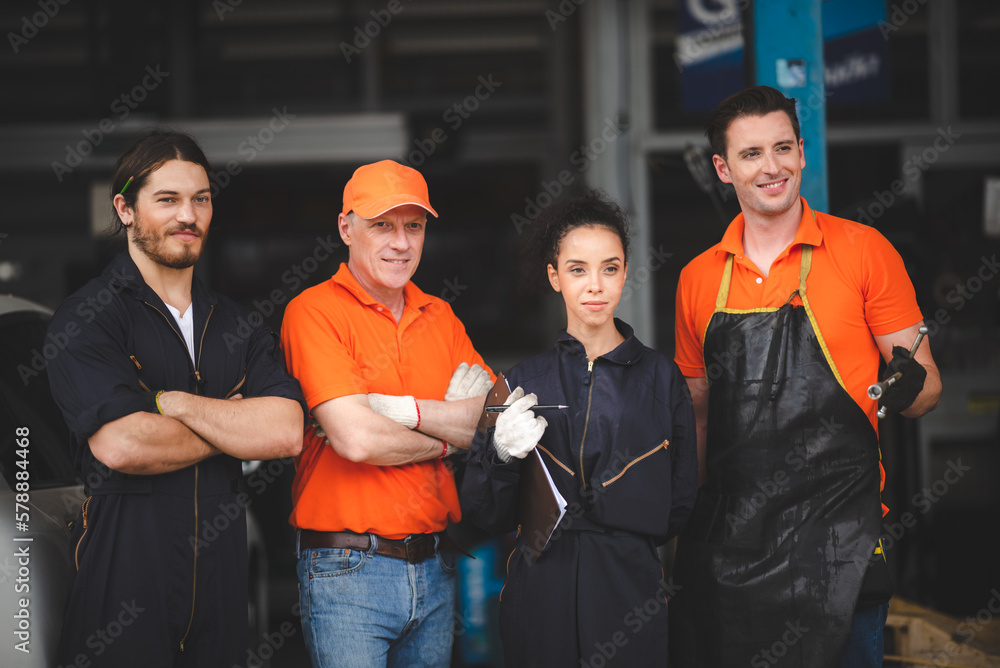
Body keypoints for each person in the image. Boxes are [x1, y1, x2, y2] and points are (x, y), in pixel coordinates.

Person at [669, 85, 943, 667]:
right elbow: (696, 411)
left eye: (783, 147)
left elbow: (926, 387)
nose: (772, 167)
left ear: (801, 150)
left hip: (841, 542)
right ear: (723, 168)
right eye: (751, 154)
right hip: (733, 549)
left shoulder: (865, 251)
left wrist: (910, 385)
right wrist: (677, 518)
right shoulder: (697, 279)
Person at [47, 130, 307, 667]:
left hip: (221, 589)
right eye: (167, 199)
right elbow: (123, 444)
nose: (188, 215)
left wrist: (173, 403)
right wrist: (235, 424)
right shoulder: (90, 318)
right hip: (124, 587)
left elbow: (284, 431)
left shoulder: (236, 324)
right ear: (124, 207)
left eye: (201, 199)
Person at [460, 189, 698, 667]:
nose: (595, 285)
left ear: (626, 272)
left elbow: (680, 501)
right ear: (554, 277)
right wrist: (501, 458)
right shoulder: (522, 382)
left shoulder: (660, 378)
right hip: (540, 593)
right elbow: (485, 513)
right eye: (577, 269)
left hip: (629, 592)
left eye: (609, 268)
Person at [280, 159, 494, 667]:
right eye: (382, 225)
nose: (401, 243)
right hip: (347, 570)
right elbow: (357, 439)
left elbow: (490, 422)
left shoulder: (440, 316)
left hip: (436, 567)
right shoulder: (313, 312)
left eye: (413, 226)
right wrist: (448, 431)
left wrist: (400, 411)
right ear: (345, 227)